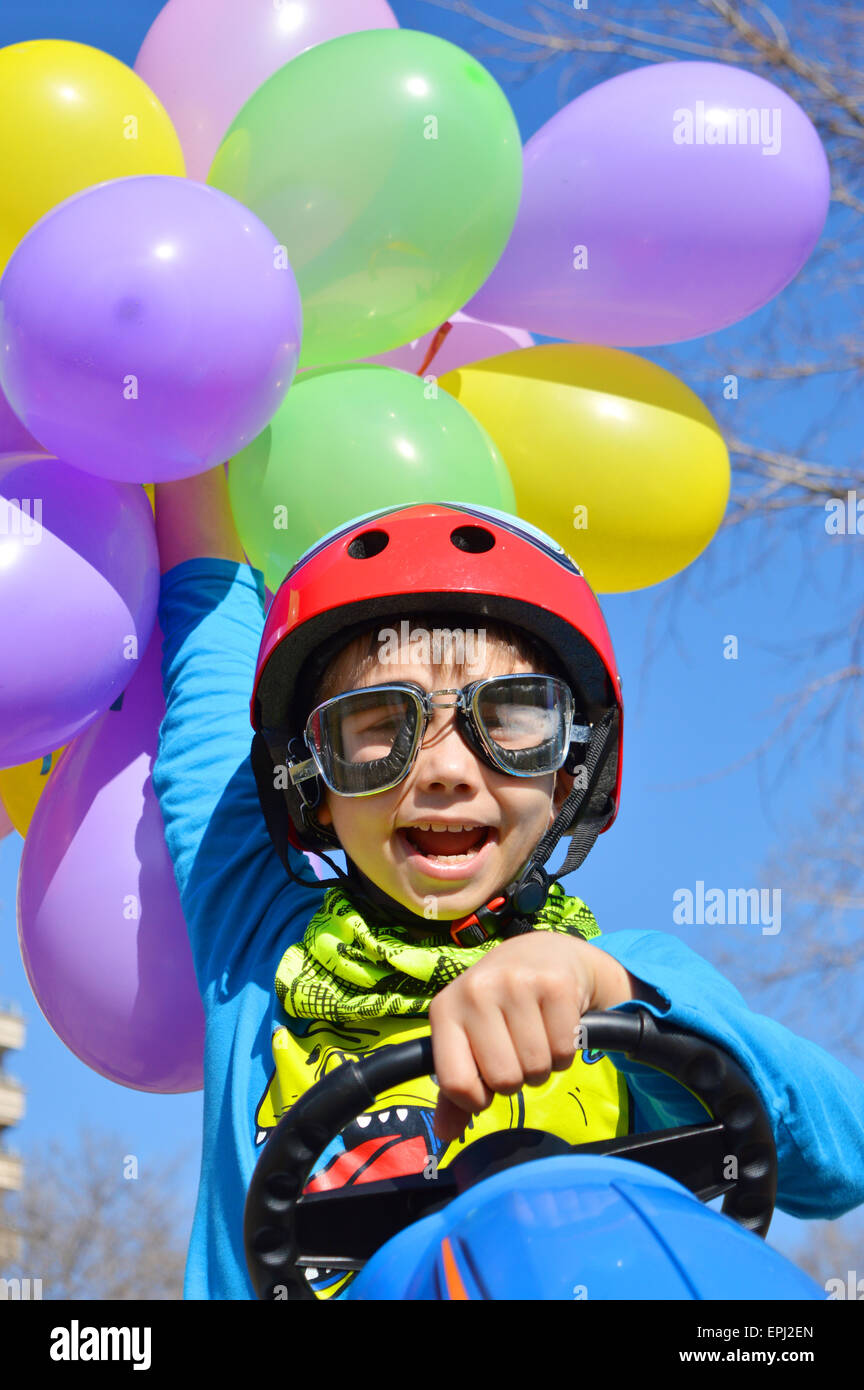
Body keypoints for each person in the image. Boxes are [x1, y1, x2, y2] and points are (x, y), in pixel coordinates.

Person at [153, 469, 864, 1301]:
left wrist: (604, 985)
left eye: (513, 719)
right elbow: (206, 650)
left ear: (571, 778)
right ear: (309, 783)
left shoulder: (633, 984)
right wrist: (190, 401)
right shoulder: (255, 944)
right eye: (379, 727)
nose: (448, 769)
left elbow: (838, 1158)